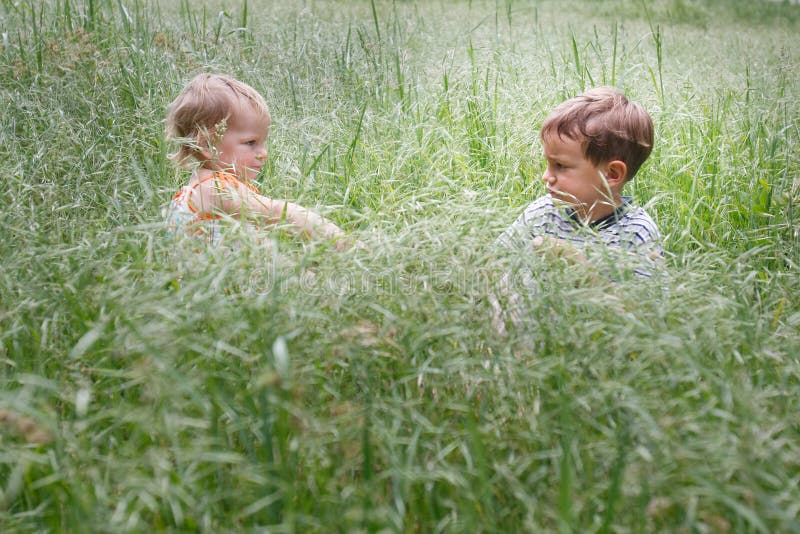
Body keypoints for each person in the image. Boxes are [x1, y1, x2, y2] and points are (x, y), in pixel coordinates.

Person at [492, 87, 662, 332]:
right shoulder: (541, 213)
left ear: (612, 174)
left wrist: (578, 267)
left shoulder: (636, 233)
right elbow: (496, 262)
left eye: (560, 166)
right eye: (547, 163)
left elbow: (646, 319)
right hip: (531, 343)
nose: (546, 176)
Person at [165, 73, 352, 250]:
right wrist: (347, 245)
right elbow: (283, 214)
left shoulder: (203, 187)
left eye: (263, 142)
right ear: (207, 145)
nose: (263, 153)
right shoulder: (214, 189)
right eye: (251, 143)